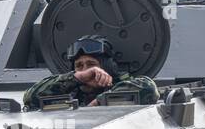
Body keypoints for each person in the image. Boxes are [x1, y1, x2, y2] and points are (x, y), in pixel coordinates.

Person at [24, 35, 159, 109]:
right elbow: (30, 97)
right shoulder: (71, 91)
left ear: (107, 68)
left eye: (91, 64)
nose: (85, 70)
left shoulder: (124, 86)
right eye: (79, 66)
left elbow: (149, 88)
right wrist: (76, 78)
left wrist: (99, 103)